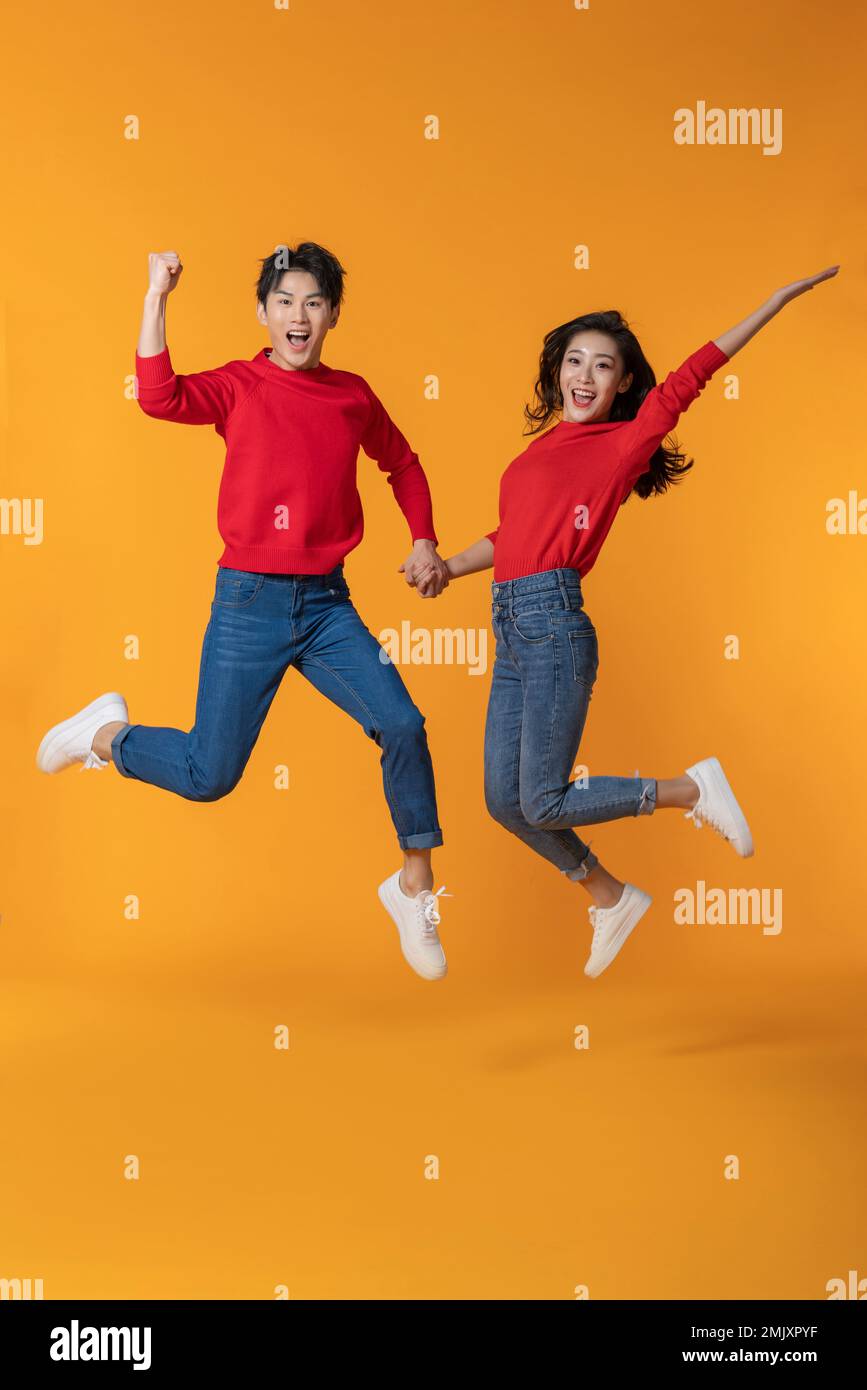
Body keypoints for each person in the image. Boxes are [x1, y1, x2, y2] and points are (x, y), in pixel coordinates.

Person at [36, 242, 454, 981]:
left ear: (332, 316)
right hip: (248, 604)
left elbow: (404, 463)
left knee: (403, 723)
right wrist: (156, 296)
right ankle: (104, 734)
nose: (299, 315)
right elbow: (160, 396)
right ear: (263, 313)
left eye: (314, 303)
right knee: (207, 774)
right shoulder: (239, 385)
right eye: (285, 301)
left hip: (327, 605)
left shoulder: (352, 395)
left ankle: (413, 885)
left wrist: (424, 538)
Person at [408, 266, 840, 978]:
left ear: (619, 386)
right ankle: (608, 896)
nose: (584, 375)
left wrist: (769, 302)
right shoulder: (536, 453)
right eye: (573, 361)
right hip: (512, 625)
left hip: (552, 623)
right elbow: (511, 534)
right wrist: (445, 568)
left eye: (602, 367)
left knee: (542, 797)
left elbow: (688, 381)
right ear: (556, 374)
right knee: (502, 801)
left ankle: (688, 790)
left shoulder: (620, 444)